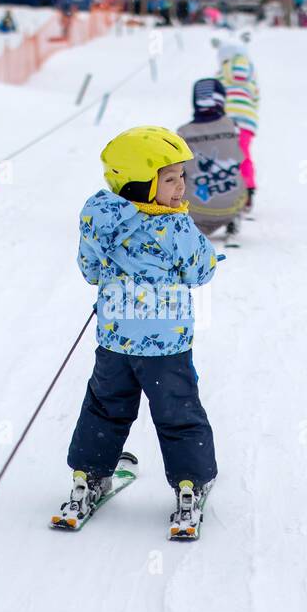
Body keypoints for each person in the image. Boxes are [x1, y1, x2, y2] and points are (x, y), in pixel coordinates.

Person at [61, 126, 220, 539]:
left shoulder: (98, 218)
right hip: (167, 346)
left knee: (105, 407)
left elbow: (90, 270)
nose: (180, 186)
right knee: (177, 411)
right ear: (138, 183)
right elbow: (200, 271)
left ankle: (89, 475)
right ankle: (190, 482)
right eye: (169, 179)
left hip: (115, 341)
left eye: (181, 176)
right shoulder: (175, 228)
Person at [177, 79, 247, 241]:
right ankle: (231, 217)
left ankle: (190, 229)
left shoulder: (183, 133)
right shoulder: (233, 126)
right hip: (234, 203)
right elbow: (242, 159)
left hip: (197, 209)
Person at [217, 34, 259, 210]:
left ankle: (225, 191)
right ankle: (248, 190)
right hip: (246, 123)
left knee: (223, 156)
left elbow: (216, 98)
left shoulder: (221, 76)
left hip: (226, 121)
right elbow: (256, 100)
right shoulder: (251, 78)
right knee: (243, 155)